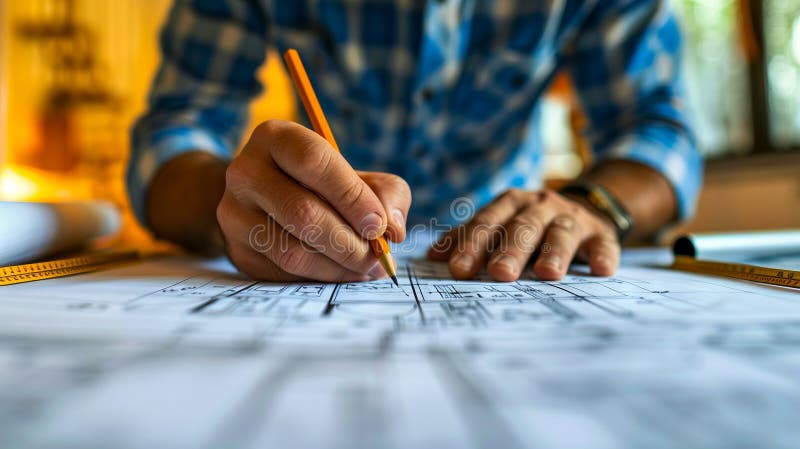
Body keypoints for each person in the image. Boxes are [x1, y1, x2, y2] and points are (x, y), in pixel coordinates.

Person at [129, 0, 702, 283]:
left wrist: (589, 204)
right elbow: (174, 131)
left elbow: (657, 130)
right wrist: (232, 205)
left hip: (505, 254)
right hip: (296, 242)